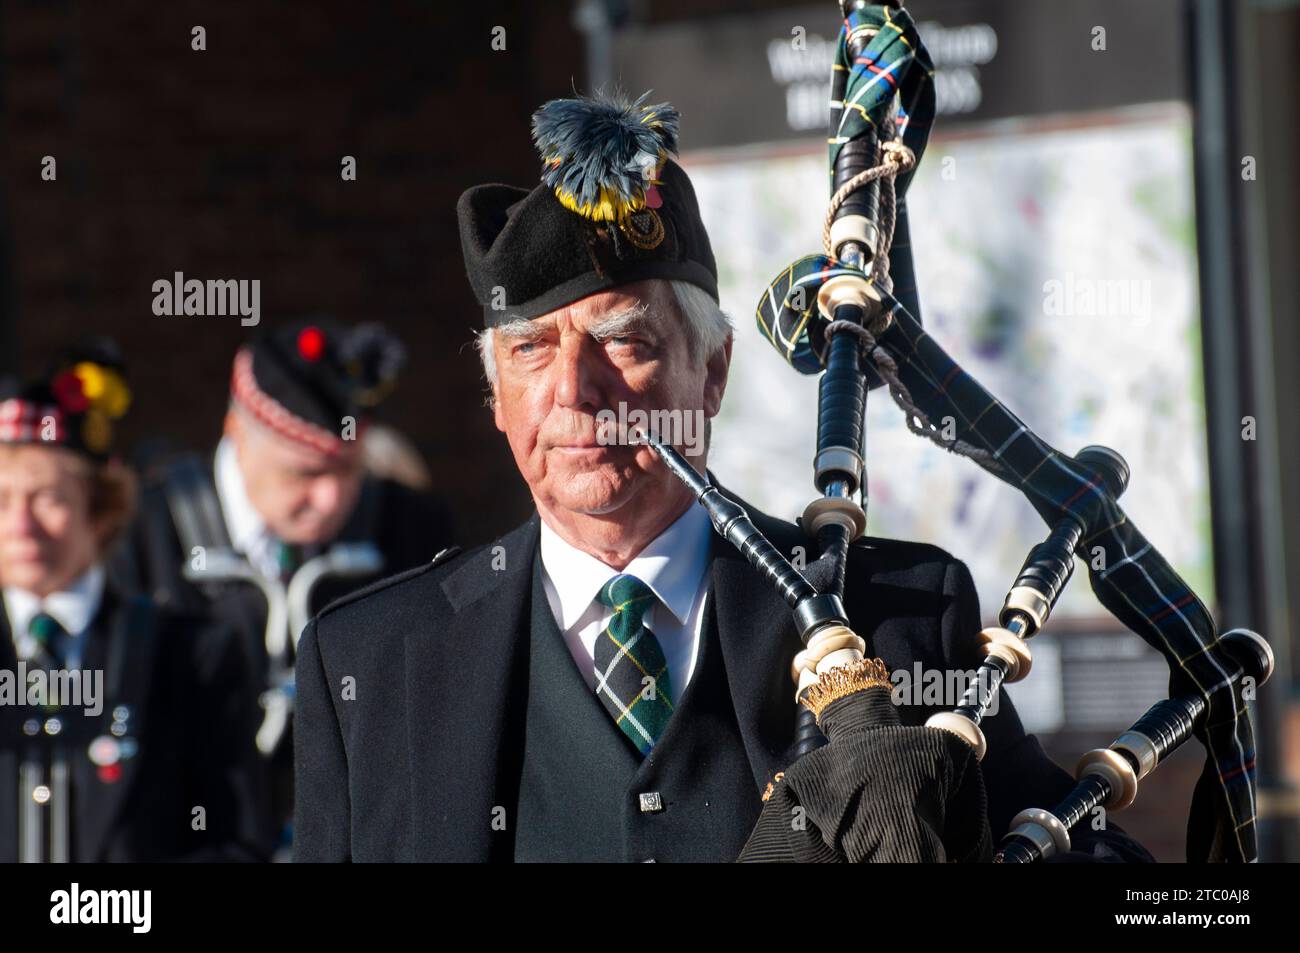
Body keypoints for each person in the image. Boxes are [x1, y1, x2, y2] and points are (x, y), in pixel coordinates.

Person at [293, 92, 1152, 862]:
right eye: (530, 350)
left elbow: (1095, 857)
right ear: (495, 399)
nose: (572, 395)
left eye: (624, 341)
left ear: (711, 373)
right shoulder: (369, 661)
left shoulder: (901, 619)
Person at [110, 320, 454, 856]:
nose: (331, 499)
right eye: (303, 473)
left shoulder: (409, 528)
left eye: (348, 471)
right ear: (236, 431)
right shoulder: (145, 536)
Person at [0, 341, 266, 861]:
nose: (21, 527)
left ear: (100, 510)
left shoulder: (191, 655)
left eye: (47, 499)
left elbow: (237, 843)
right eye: (1, 500)